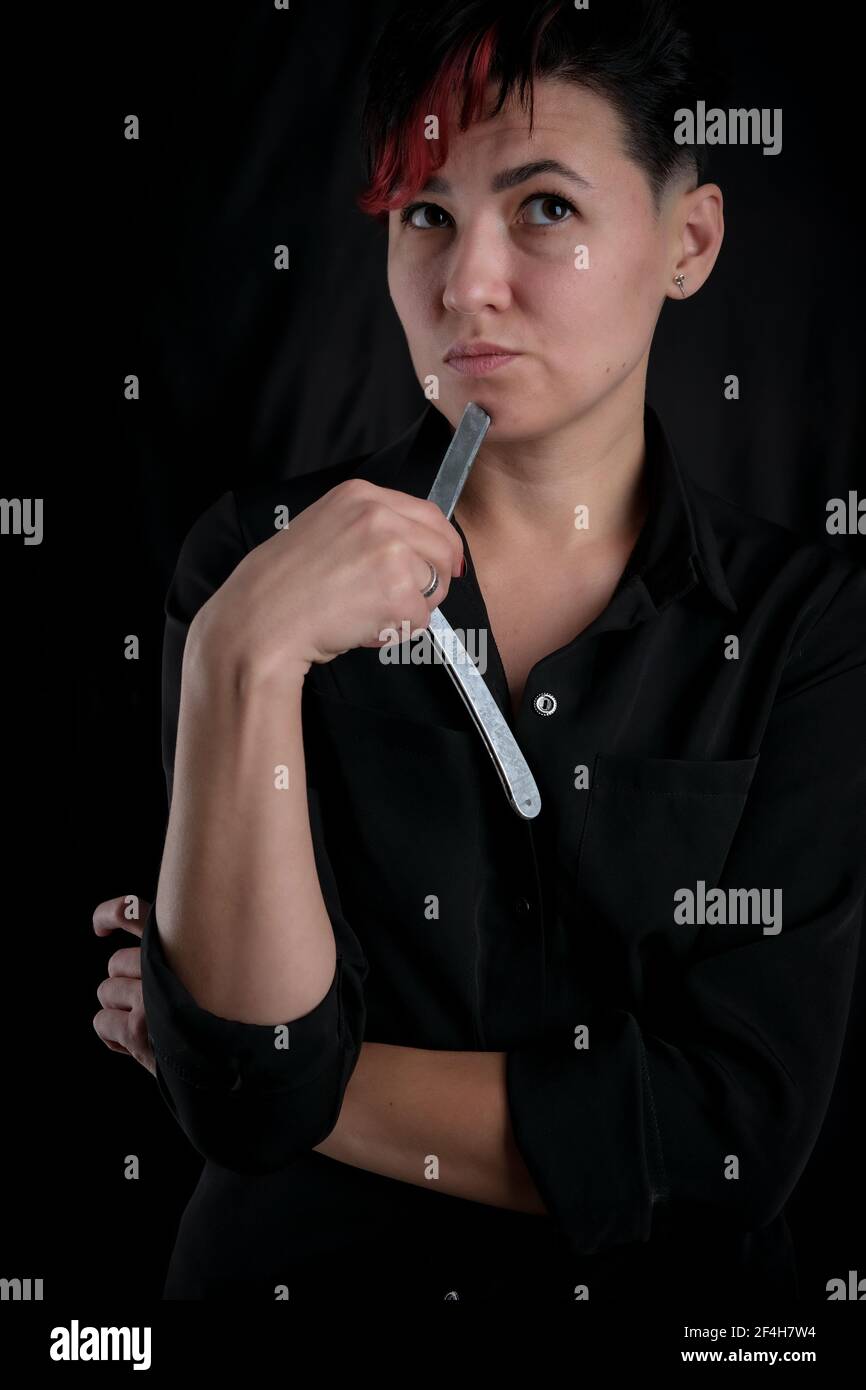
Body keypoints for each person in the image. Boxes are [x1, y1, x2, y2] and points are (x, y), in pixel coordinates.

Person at [93, 0, 865, 1304]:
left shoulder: (800, 625)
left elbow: (728, 1135)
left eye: (544, 207)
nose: (464, 284)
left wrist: (276, 1081)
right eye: (425, 217)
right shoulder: (251, 566)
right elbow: (240, 1084)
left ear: (687, 239)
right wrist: (242, 650)